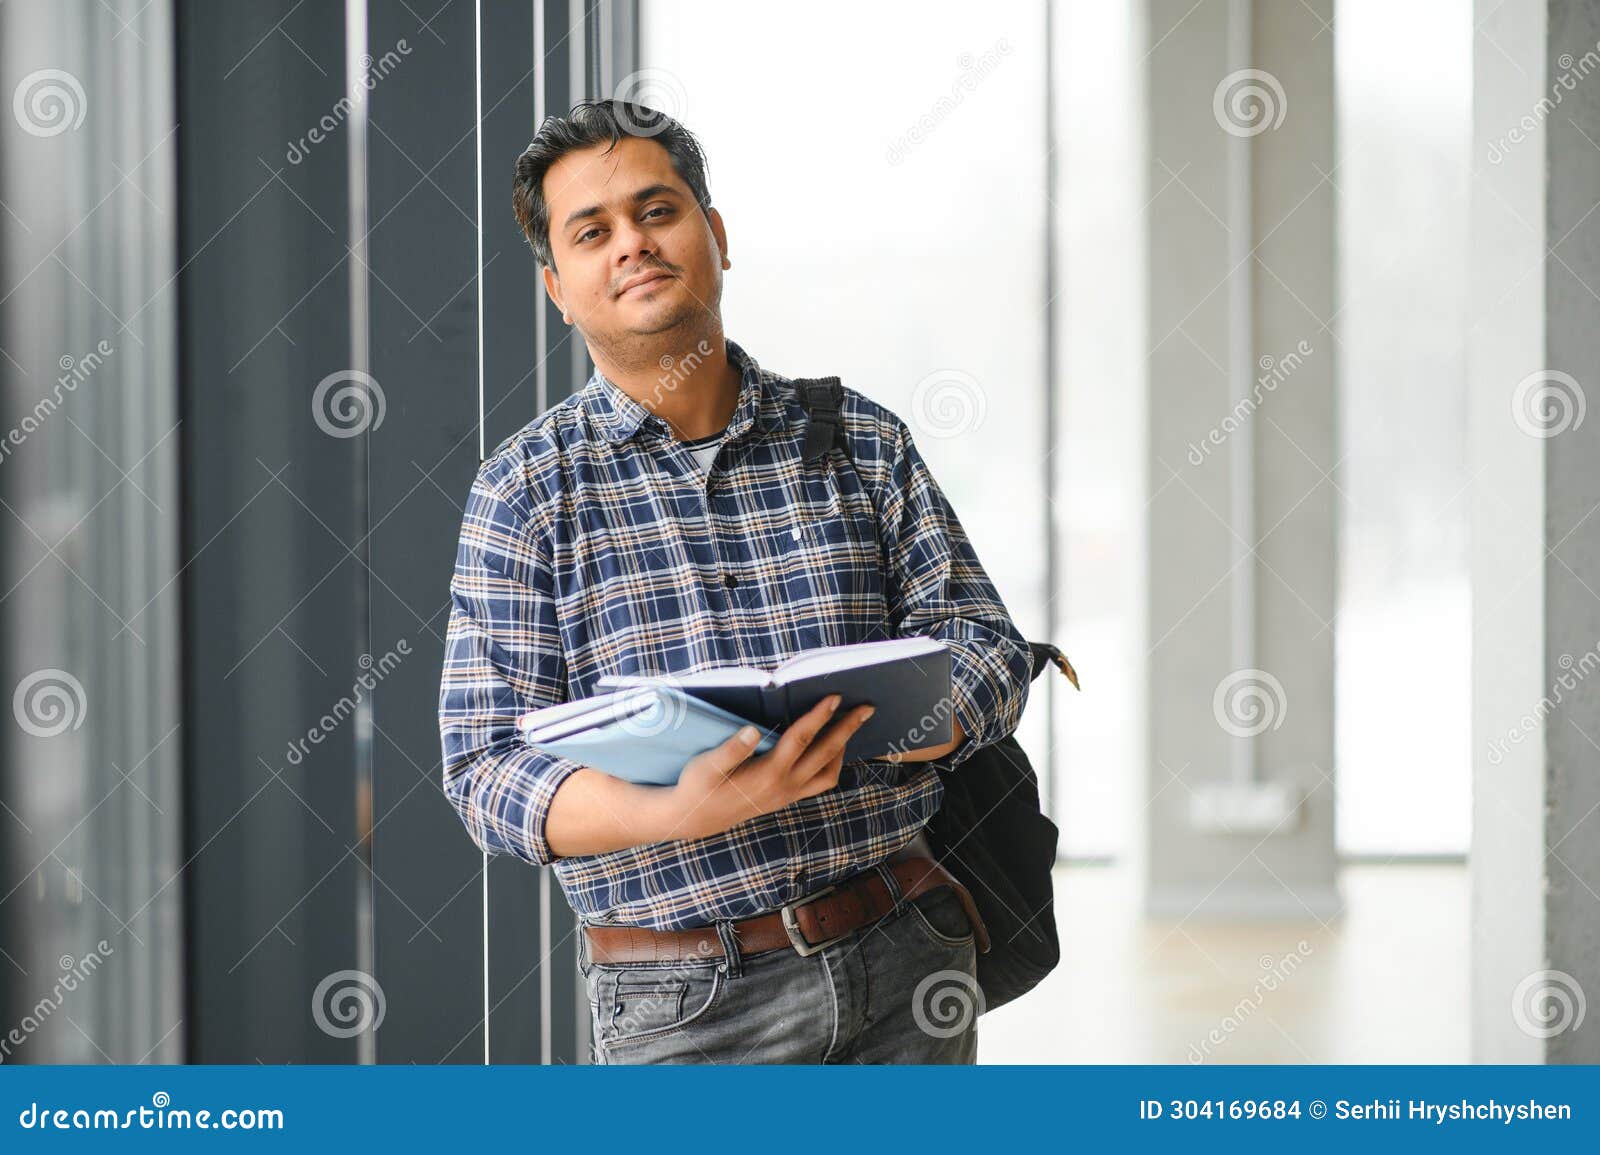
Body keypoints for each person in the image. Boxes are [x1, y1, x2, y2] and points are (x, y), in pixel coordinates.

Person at [437, 99, 1031, 1064]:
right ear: (558, 285)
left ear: (714, 234)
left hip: (907, 951)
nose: (631, 243)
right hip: (682, 1004)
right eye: (593, 232)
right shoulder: (525, 492)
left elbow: (989, 645)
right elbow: (484, 772)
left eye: (657, 211)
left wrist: (910, 722)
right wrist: (671, 812)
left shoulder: (861, 442)